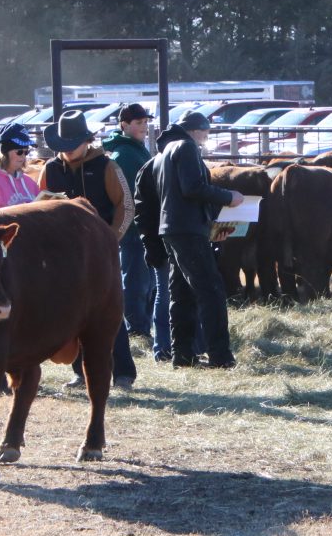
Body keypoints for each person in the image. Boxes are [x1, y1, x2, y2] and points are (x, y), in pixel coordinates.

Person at [41, 110, 137, 389]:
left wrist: (111, 240)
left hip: (100, 252)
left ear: (87, 141)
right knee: (73, 312)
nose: (68, 150)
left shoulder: (107, 167)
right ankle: (81, 371)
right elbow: (39, 206)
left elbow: (125, 205)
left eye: (73, 144)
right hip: (64, 255)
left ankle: (123, 371)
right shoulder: (50, 169)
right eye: (64, 145)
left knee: (108, 311)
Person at [151, 111, 243, 369]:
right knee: (211, 290)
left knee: (181, 293)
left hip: (171, 228)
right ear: (194, 130)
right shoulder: (187, 147)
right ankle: (220, 356)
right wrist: (228, 197)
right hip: (189, 230)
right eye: (205, 131)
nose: (207, 136)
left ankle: (183, 355)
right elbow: (192, 188)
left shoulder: (163, 154)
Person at [101, 103, 157, 345]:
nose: (144, 127)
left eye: (145, 122)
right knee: (136, 279)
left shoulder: (135, 149)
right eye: (138, 123)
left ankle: (142, 325)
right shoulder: (124, 154)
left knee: (145, 279)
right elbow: (129, 195)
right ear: (124, 125)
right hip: (134, 227)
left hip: (141, 225)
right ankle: (136, 328)